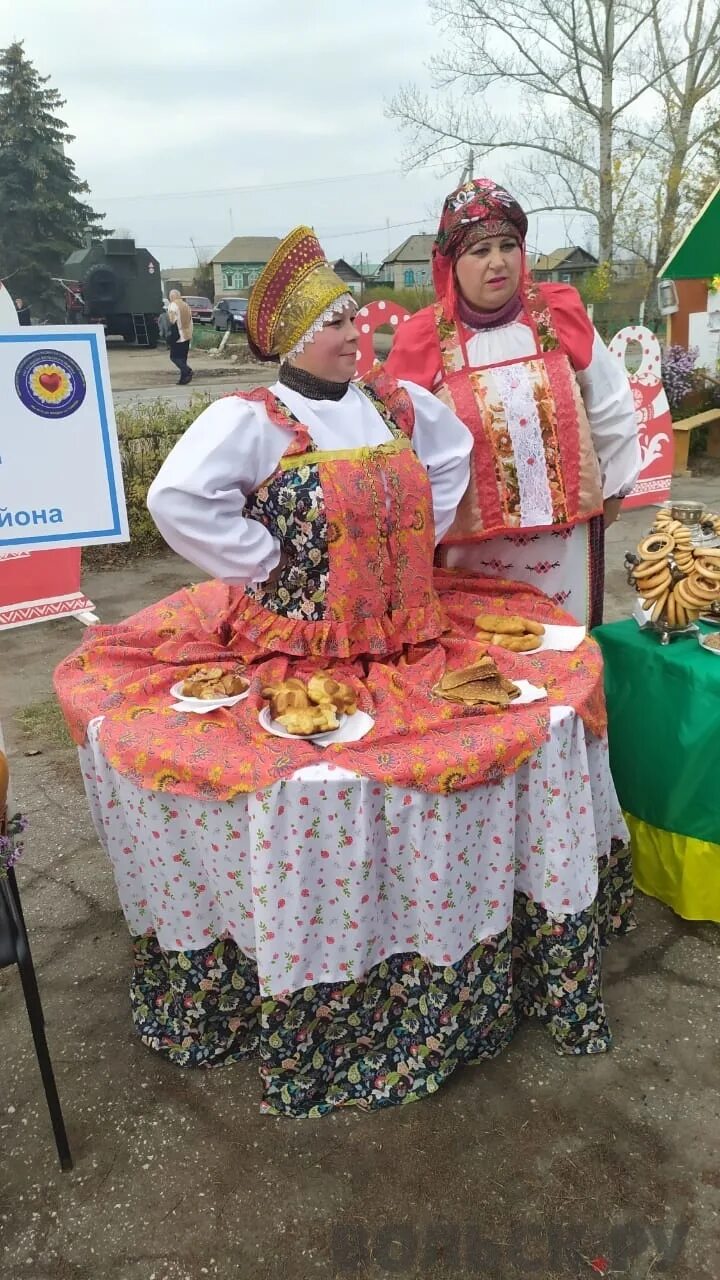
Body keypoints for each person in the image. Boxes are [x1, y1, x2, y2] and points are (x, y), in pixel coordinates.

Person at [54, 226, 632, 1116]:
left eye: (352, 315)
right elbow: (174, 498)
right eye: (330, 322)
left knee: (489, 740)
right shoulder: (250, 419)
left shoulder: (397, 405)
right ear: (287, 336)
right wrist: (262, 558)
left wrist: (413, 540)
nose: (350, 332)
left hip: (411, 633)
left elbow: (448, 462)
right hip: (302, 649)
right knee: (311, 775)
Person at [384, 178, 641, 628]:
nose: (497, 262)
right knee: (488, 657)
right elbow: (395, 440)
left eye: (508, 245)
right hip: (471, 549)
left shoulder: (558, 313)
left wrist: (617, 486)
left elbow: (609, 402)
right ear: (451, 263)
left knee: (566, 650)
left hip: (565, 542)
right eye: (479, 251)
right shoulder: (423, 338)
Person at [166, 289, 193, 384]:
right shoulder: (186, 305)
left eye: (170, 297)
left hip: (178, 335)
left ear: (172, 297)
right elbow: (190, 320)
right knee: (183, 358)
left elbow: (172, 320)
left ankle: (187, 370)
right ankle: (184, 379)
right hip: (187, 334)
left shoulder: (172, 305)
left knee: (174, 357)